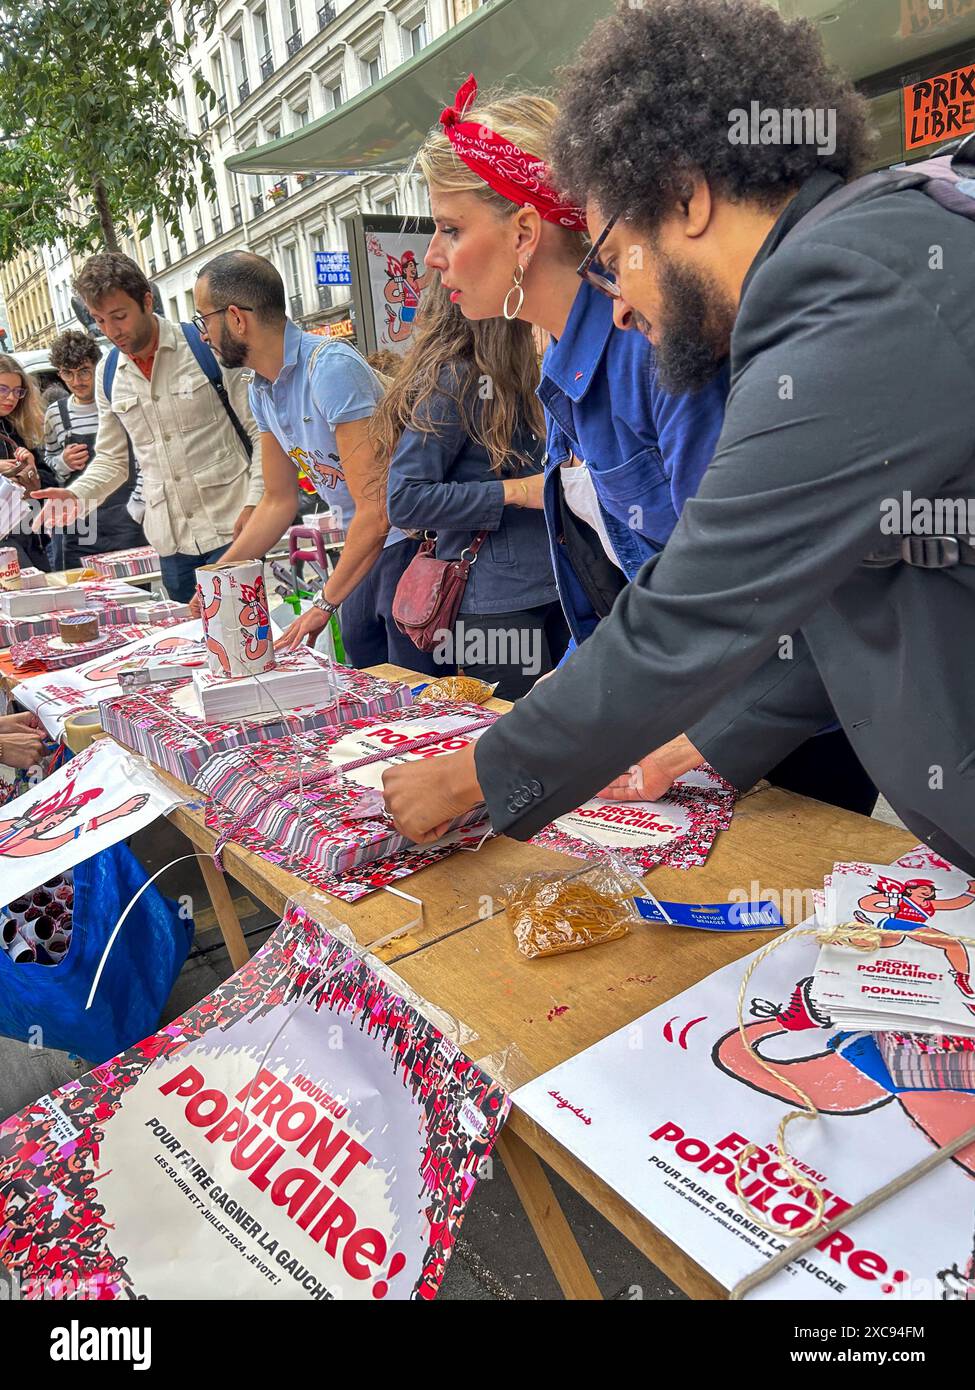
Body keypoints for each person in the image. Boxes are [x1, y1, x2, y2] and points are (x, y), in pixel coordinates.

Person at [382, 0, 975, 875]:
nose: (615, 303)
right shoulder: (854, 266)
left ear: (687, 199)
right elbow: (833, 600)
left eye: (615, 253)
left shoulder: (849, 284)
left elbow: (702, 603)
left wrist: (473, 777)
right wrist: (690, 743)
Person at [413, 75, 876, 814]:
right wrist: (561, 698)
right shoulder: (561, 365)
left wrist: (521, 755)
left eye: (449, 227)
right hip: (680, 721)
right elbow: (622, 589)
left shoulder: (657, 348)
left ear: (526, 233)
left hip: (770, 735)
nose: (432, 256)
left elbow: (746, 581)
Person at [191, 249, 439, 669]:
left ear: (236, 318)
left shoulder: (330, 368)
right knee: (367, 671)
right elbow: (277, 501)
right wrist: (220, 570)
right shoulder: (261, 388)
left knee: (412, 691)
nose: (203, 335)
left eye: (204, 319)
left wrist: (324, 603)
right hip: (365, 548)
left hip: (409, 545)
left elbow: (377, 509)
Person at [31, 254, 263, 602]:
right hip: (172, 544)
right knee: (194, 647)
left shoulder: (204, 347)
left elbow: (261, 432)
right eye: (99, 320)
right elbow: (112, 460)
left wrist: (257, 503)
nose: (111, 331)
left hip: (233, 527)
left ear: (147, 301)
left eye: (119, 316)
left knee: (247, 644)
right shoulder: (109, 374)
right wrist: (77, 494)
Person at [378, 276, 565, 699]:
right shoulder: (456, 381)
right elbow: (405, 499)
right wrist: (515, 492)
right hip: (494, 604)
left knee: (570, 734)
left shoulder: (521, 373)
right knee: (524, 735)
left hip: (553, 586)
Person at [42, 330, 145, 570]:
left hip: (125, 519)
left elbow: (143, 455)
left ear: (97, 367)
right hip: (80, 524)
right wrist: (63, 463)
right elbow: (48, 465)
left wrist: (138, 507)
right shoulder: (56, 415)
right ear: (60, 373)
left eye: (84, 371)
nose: (77, 382)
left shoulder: (118, 405)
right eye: (68, 373)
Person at [0, 353, 55, 573]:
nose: (12, 398)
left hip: (29, 537)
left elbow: (49, 480)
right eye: (3, 389)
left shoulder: (14, 428)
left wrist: (31, 471)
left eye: (18, 391)